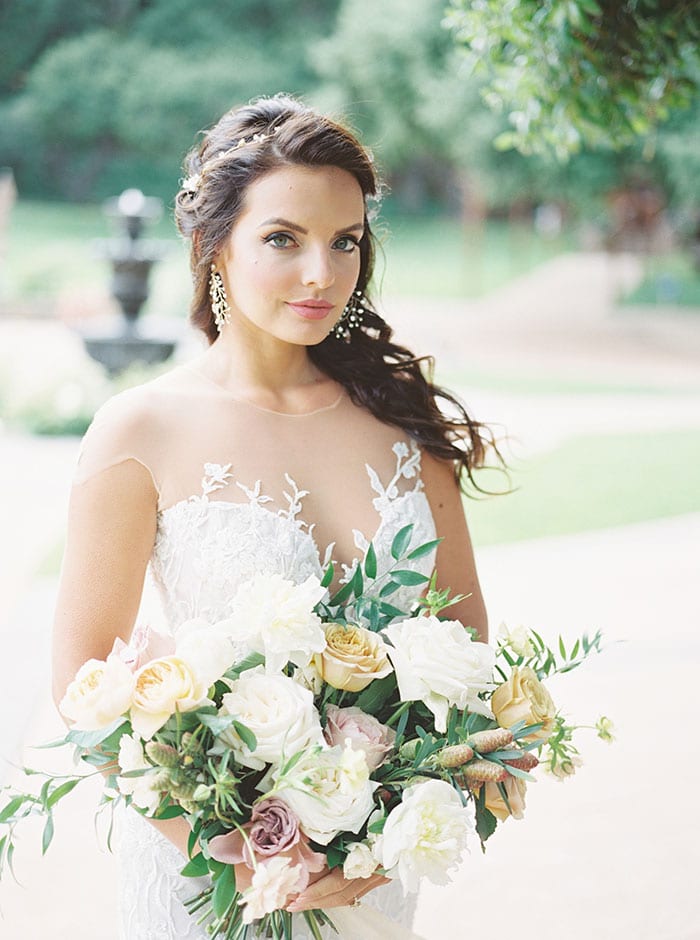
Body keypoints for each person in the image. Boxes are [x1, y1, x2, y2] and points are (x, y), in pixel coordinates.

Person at [52, 94, 497, 939]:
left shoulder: (406, 427)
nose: (322, 275)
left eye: (345, 243)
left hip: (368, 883)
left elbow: (470, 652)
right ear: (216, 244)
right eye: (283, 239)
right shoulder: (140, 430)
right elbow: (83, 683)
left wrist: (383, 833)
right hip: (205, 879)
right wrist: (244, 854)